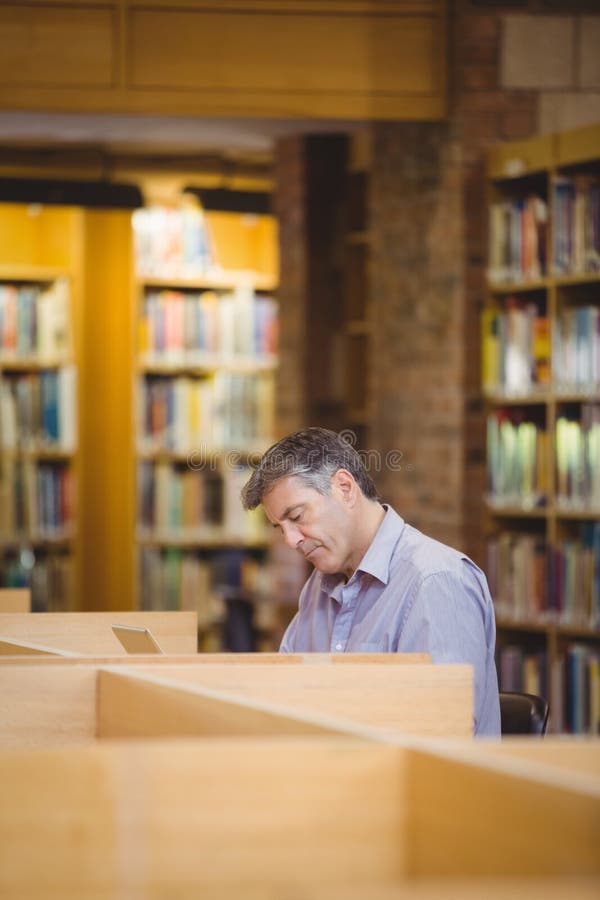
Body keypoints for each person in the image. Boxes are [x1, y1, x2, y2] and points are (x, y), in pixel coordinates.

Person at [241, 426, 501, 736]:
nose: (290, 540)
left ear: (345, 488)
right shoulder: (317, 588)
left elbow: (441, 730)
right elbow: (286, 700)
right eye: (279, 528)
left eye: (296, 517)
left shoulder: (435, 581)